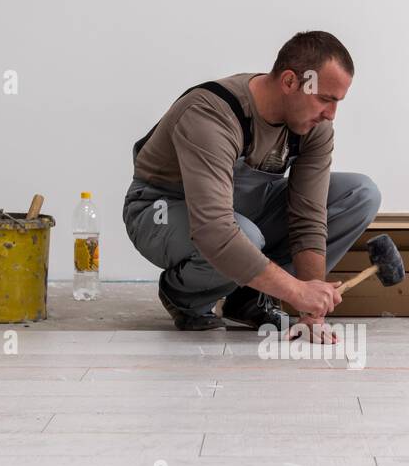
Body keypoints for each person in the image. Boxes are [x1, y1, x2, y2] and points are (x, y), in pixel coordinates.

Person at [123, 31, 381, 337]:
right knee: (243, 234)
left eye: (337, 102)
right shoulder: (212, 113)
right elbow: (215, 230)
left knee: (359, 194)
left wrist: (311, 313)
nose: (331, 114)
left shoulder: (315, 125)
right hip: (161, 209)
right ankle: (184, 295)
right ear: (289, 82)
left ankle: (247, 299)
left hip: (239, 207)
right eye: (325, 99)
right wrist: (296, 291)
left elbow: (308, 217)